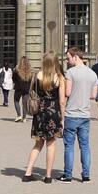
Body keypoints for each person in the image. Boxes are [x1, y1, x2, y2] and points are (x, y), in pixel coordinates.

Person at [24, 52, 64, 184]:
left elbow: (32, 92)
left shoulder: (37, 75)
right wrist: (63, 118)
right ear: (55, 62)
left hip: (39, 113)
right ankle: (48, 176)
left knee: (38, 143)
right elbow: (62, 101)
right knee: (51, 144)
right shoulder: (59, 78)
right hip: (53, 112)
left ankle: (28, 172)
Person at [60, 48, 98, 183]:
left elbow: (68, 92)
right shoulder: (93, 74)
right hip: (85, 114)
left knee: (69, 146)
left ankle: (68, 175)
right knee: (85, 146)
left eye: (68, 58)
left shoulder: (70, 72)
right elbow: (93, 95)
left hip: (71, 114)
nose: (67, 60)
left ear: (75, 57)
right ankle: (86, 175)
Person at [12, 57, 34, 122]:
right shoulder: (30, 70)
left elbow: (13, 78)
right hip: (27, 88)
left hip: (18, 88)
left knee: (16, 101)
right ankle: (24, 118)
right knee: (24, 103)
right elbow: (32, 80)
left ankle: (19, 115)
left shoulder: (16, 69)